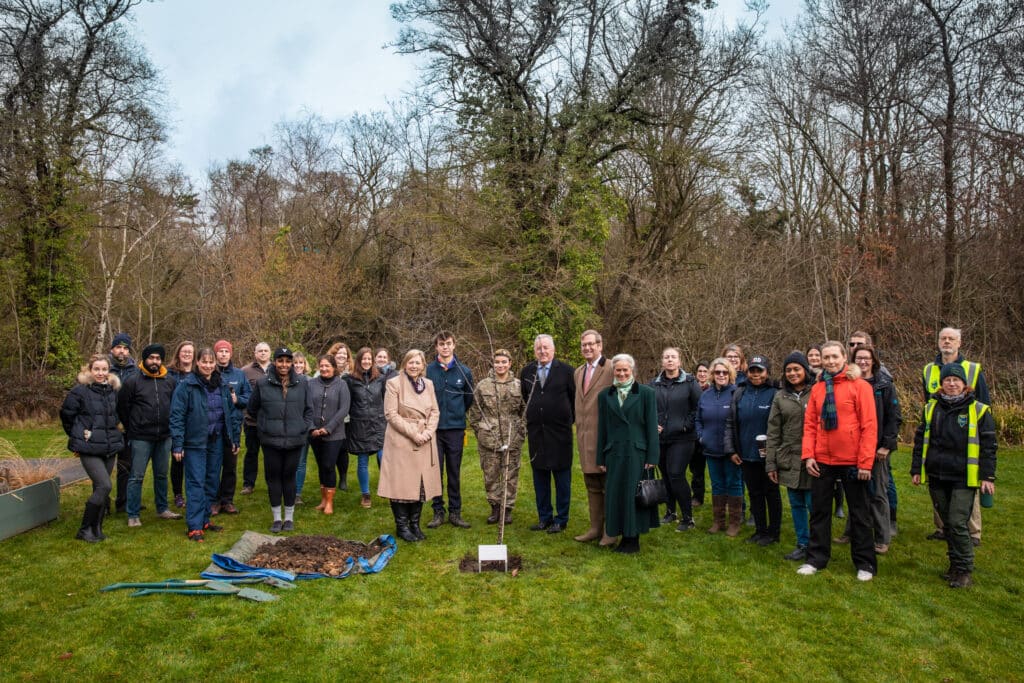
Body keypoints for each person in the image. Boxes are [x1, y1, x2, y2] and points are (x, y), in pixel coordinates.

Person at [797, 340, 878, 581]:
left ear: (844, 358)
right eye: (826, 358)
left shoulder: (860, 386)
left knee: (860, 514)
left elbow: (869, 426)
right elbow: (810, 424)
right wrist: (809, 455)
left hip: (853, 460)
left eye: (835, 357)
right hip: (823, 459)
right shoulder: (819, 388)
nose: (830, 361)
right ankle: (816, 559)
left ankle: (865, 563)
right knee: (820, 511)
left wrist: (865, 462)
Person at [911, 363, 997, 588]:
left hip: (963, 476)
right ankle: (954, 566)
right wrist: (916, 470)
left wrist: (988, 476)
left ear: (964, 384)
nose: (951, 383)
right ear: (941, 384)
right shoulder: (931, 408)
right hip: (937, 475)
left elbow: (989, 445)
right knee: (948, 524)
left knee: (958, 522)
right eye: (947, 380)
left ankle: (965, 569)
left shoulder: (979, 410)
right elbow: (920, 441)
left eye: (956, 380)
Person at [922, 327, 990, 546]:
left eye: (952, 338)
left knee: (967, 485)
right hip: (939, 431)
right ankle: (942, 527)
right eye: (943, 338)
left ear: (959, 343)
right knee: (938, 485)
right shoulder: (929, 369)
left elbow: (983, 402)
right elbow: (928, 399)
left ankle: (973, 532)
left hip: (966, 433)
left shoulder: (972, 369)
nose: (947, 341)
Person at [169, 348, 243, 542]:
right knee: (195, 483)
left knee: (211, 482)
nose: (208, 365)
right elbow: (176, 416)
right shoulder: (186, 386)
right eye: (204, 362)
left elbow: (231, 414)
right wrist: (178, 444)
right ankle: (194, 526)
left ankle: (204, 519)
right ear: (197, 362)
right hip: (194, 442)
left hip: (216, 441)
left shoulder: (222, 385)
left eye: (211, 362)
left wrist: (234, 438)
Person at [839, 344, 901, 554]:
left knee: (877, 493)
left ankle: (882, 537)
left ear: (873, 361)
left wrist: (886, 445)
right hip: (851, 448)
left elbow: (894, 417)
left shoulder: (884, 384)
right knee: (855, 492)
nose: (863, 362)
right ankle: (851, 531)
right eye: (859, 358)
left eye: (867, 358)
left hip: (876, 449)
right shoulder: (849, 382)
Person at [596, 354, 660, 554]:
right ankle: (622, 534)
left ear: (632, 371)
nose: (622, 373)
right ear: (613, 371)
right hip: (614, 453)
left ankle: (633, 540)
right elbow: (602, 429)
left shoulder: (646, 393)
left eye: (625, 370)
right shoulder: (604, 396)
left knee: (634, 495)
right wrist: (600, 457)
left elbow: (651, 427)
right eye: (618, 370)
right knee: (617, 495)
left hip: (637, 453)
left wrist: (652, 457)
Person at [247, 348, 313, 532]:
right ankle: (277, 518)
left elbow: (309, 410)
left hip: (294, 440)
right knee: (274, 478)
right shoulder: (262, 383)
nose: (284, 365)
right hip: (271, 441)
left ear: (292, 363)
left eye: (287, 361)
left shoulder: (302, 383)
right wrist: (265, 426)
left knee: (289, 478)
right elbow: (252, 409)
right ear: (275, 362)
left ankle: (289, 518)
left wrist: (302, 427)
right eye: (280, 361)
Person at [378, 349, 441, 542]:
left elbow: (435, 412)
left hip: (425, 440)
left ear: (423, 366)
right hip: (402, 440)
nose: (414, 366)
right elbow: (391, 414)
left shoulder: (428, 384)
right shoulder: (394, 383)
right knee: (401, 485)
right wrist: (414, 434)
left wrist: (428, 433)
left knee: (420, 485)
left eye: (418, 363)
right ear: (405, 363)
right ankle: (402, 526)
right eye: (411, 362)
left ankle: (415, 524)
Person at [116, 343, 182, 527]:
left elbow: (175, 406)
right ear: (145, 359)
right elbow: (123, 407)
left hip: (164, 436)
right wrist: (132, 427)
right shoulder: (132, 381)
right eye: (151, 358)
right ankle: (133, 514)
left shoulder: (169, 380)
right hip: (140, 437)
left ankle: (162, 509)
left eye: (158, 358)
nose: (155, 361)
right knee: (136, 476)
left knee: (161, 474)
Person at [61, 355, 123, 542]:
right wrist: (79, 434)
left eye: (104, 369)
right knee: (105, 485)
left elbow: (115, 415)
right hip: (89, 447)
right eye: (96, 369)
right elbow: (67, 415)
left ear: (108, 371)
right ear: (89, 370)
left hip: (108, 446)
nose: (100, 373)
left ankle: (97, 527)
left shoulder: (112, 391)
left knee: (100, 488)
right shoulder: (79, 391)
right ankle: (84, 528)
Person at [521, 334, 576, 534]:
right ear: (534, 350)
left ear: (553, 349)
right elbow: (526, 397)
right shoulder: (527, 371)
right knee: (540, 478)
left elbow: (574, 399)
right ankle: (544, 517)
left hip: (560, 434)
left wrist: (567, 420)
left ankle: (561, 519)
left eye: (546, 347)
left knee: (562, 478)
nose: (542, 351)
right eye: (539, 348)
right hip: (537, 433)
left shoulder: (567, 371)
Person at [725, 354, 781, 545]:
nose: (756, 374)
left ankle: (773, 533)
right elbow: (731, 423)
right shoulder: (740, 392)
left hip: (768, 455)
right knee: (754, 493)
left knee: (771, 494)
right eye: (752, 370)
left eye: (760, 370)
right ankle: (760, 530)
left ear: (767, 372)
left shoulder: (775, 392)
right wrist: (732, 450)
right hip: (746, 452)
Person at [766, 352, 816, 560]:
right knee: (796, 504)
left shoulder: (817, 391)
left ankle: (818, 544)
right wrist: (771, 463)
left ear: (805, 370)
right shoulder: (780, 396)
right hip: (788, 457)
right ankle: (803, 544)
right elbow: (773, 431)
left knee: (815, 504)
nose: (793, 373)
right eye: (788, 370)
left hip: (813, 458)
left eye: (797, 369)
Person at [469, 349, 526, 525]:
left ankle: (507, 509)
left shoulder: (519, 385)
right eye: (497, 362)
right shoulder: (483, 385)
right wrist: (480, 431)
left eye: (504, 362)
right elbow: (475, 412)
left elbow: (525, 411)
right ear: (493, 364)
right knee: (491, 475)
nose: (500, 365)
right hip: (488, 437)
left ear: (510, 363)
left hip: (512, 436)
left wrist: (521, 430)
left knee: (510, 474)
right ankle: (495, 508)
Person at [425, 331, 475, 529]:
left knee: (454, 471)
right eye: (441, 344)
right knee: (435, 472)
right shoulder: (428, 371)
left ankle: (455, 512)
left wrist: (457, 413)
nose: (445, 347)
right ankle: (438, 511)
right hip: (434, 430)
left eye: (448, 343)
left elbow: (468, 399)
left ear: (454, 345)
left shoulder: (464, 372)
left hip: (455, 429)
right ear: (436, 347)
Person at [649, 347, 702, 532]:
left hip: (683, 438)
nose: (670, 360)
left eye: (673, 357)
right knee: (666, 476)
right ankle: (671, 512)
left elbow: (698, 408)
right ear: (662, 361)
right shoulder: (654, 384)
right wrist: (652, 423)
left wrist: (685, 425)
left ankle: (688, 518)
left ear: (679, 361)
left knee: (676, 474)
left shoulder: (690, 382)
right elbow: (647, 408)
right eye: (666, 357)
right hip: (661, 438)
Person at [572, 330, 615, 544]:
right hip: (584, 437)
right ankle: (595, 527)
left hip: (605, 438)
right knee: (592, 485)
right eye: (583, 345)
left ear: (600, 345)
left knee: (608, 485)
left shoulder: (611, 368)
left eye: (591, 344)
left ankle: (611, 530)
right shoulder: (578, 372)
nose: (587, 348)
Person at [695, 358, 742, 536]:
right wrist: (701, 436)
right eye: (717, 372)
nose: (721, 375)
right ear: (712, 375)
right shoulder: (705, 394)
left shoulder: (736, 393)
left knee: (734, 483)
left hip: (731, 451)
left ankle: (734, 522)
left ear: (730, 374)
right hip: (710, 448)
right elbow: (698, 418)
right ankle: (718, 521)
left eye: (724, 372)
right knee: (717, 485)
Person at [306, 354, 350, 515]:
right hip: (315, 433)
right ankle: (323, 499)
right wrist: (312, 428)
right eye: (322, 366)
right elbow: (306, 406)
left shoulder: (342, 385)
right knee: (321, 466)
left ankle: (330, 502)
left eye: (327, 366)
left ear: (334, 368)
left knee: (329, 465)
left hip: (334, 434)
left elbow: (344, 409)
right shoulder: (311, 384)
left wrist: (328, 428)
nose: (324, 369)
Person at [212, 339, 250, 514]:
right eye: (220, 351)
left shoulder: (239, 374)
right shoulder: (209, 372)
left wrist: (238, 400)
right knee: (213, 465)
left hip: (233, 427)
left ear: (231, 354)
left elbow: (249, 396)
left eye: (226, 351)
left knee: (230, 465)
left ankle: (227, 500)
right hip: (214, 426)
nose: (223, 354)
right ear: (215, 354)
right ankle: (213, 501)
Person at [347, 347, 387, 509]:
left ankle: (387, 488)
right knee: (362, 461)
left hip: (378, 424)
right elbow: (347, 403)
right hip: (360, 425)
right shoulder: (350, 380)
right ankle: (366, 494)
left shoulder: (380, 379)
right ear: (358, 361)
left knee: (383, 456)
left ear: (373, 361)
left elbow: (386, 400)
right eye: (363, 359)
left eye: (369, 359)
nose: (366, 362)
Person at [108, 332, 138, 514]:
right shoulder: (104, 369)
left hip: (128, 425)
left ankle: (123, 501)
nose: (122, 351)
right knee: (105, 467)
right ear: (112, 349)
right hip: (108, 425)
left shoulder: (135, 370)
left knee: (126, 465)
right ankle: (102, 502)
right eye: (119, 347)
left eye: (126, 348)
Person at [167, 340, 196, 509]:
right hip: (176, 421)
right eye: (184, 351)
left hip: (194, 421)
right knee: (177, 459)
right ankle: (178, 494)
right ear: (178, 353)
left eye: (190, 352)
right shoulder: (170, 373)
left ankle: (194, 492)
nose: (187, 354)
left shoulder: (197, 373)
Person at [240, 342, 270, 496]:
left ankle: (272, 482)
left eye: (266, 351)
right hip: (252, 421)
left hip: (271, 421)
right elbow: (241, 393)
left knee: (270, 454)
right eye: (260, 351)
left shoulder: (277, 369)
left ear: (270, 353)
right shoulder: (245, 371)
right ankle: (248, 484)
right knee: (252, 453)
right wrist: (245, 413)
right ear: (255, 353)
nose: (263, 353)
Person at [328, 341, 354, 489]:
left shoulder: (351, 373)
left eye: (345, 353)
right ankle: (328, 477)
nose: (342, 356)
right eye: (339, 353)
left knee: (343, 449)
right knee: (331, 449)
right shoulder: (326, 369)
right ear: (334, 354)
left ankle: (343, 478)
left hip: (346, 418)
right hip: (328, 417)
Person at [291, 352, 312, 505]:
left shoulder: (311, 382)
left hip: (305, 427)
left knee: (301, 462)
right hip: (287, 428)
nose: (298, 366)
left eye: (301, 363)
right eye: (295, 363)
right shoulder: (285, 381)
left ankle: (297, 492)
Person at [690, 361, 711, 508]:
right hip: (694, 434)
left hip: (710, 433)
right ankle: (697, 496)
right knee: (696, 469)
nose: (702, 374)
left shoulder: (713, 389)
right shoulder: (691, 388)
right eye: (700, 371)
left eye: (705, 371)